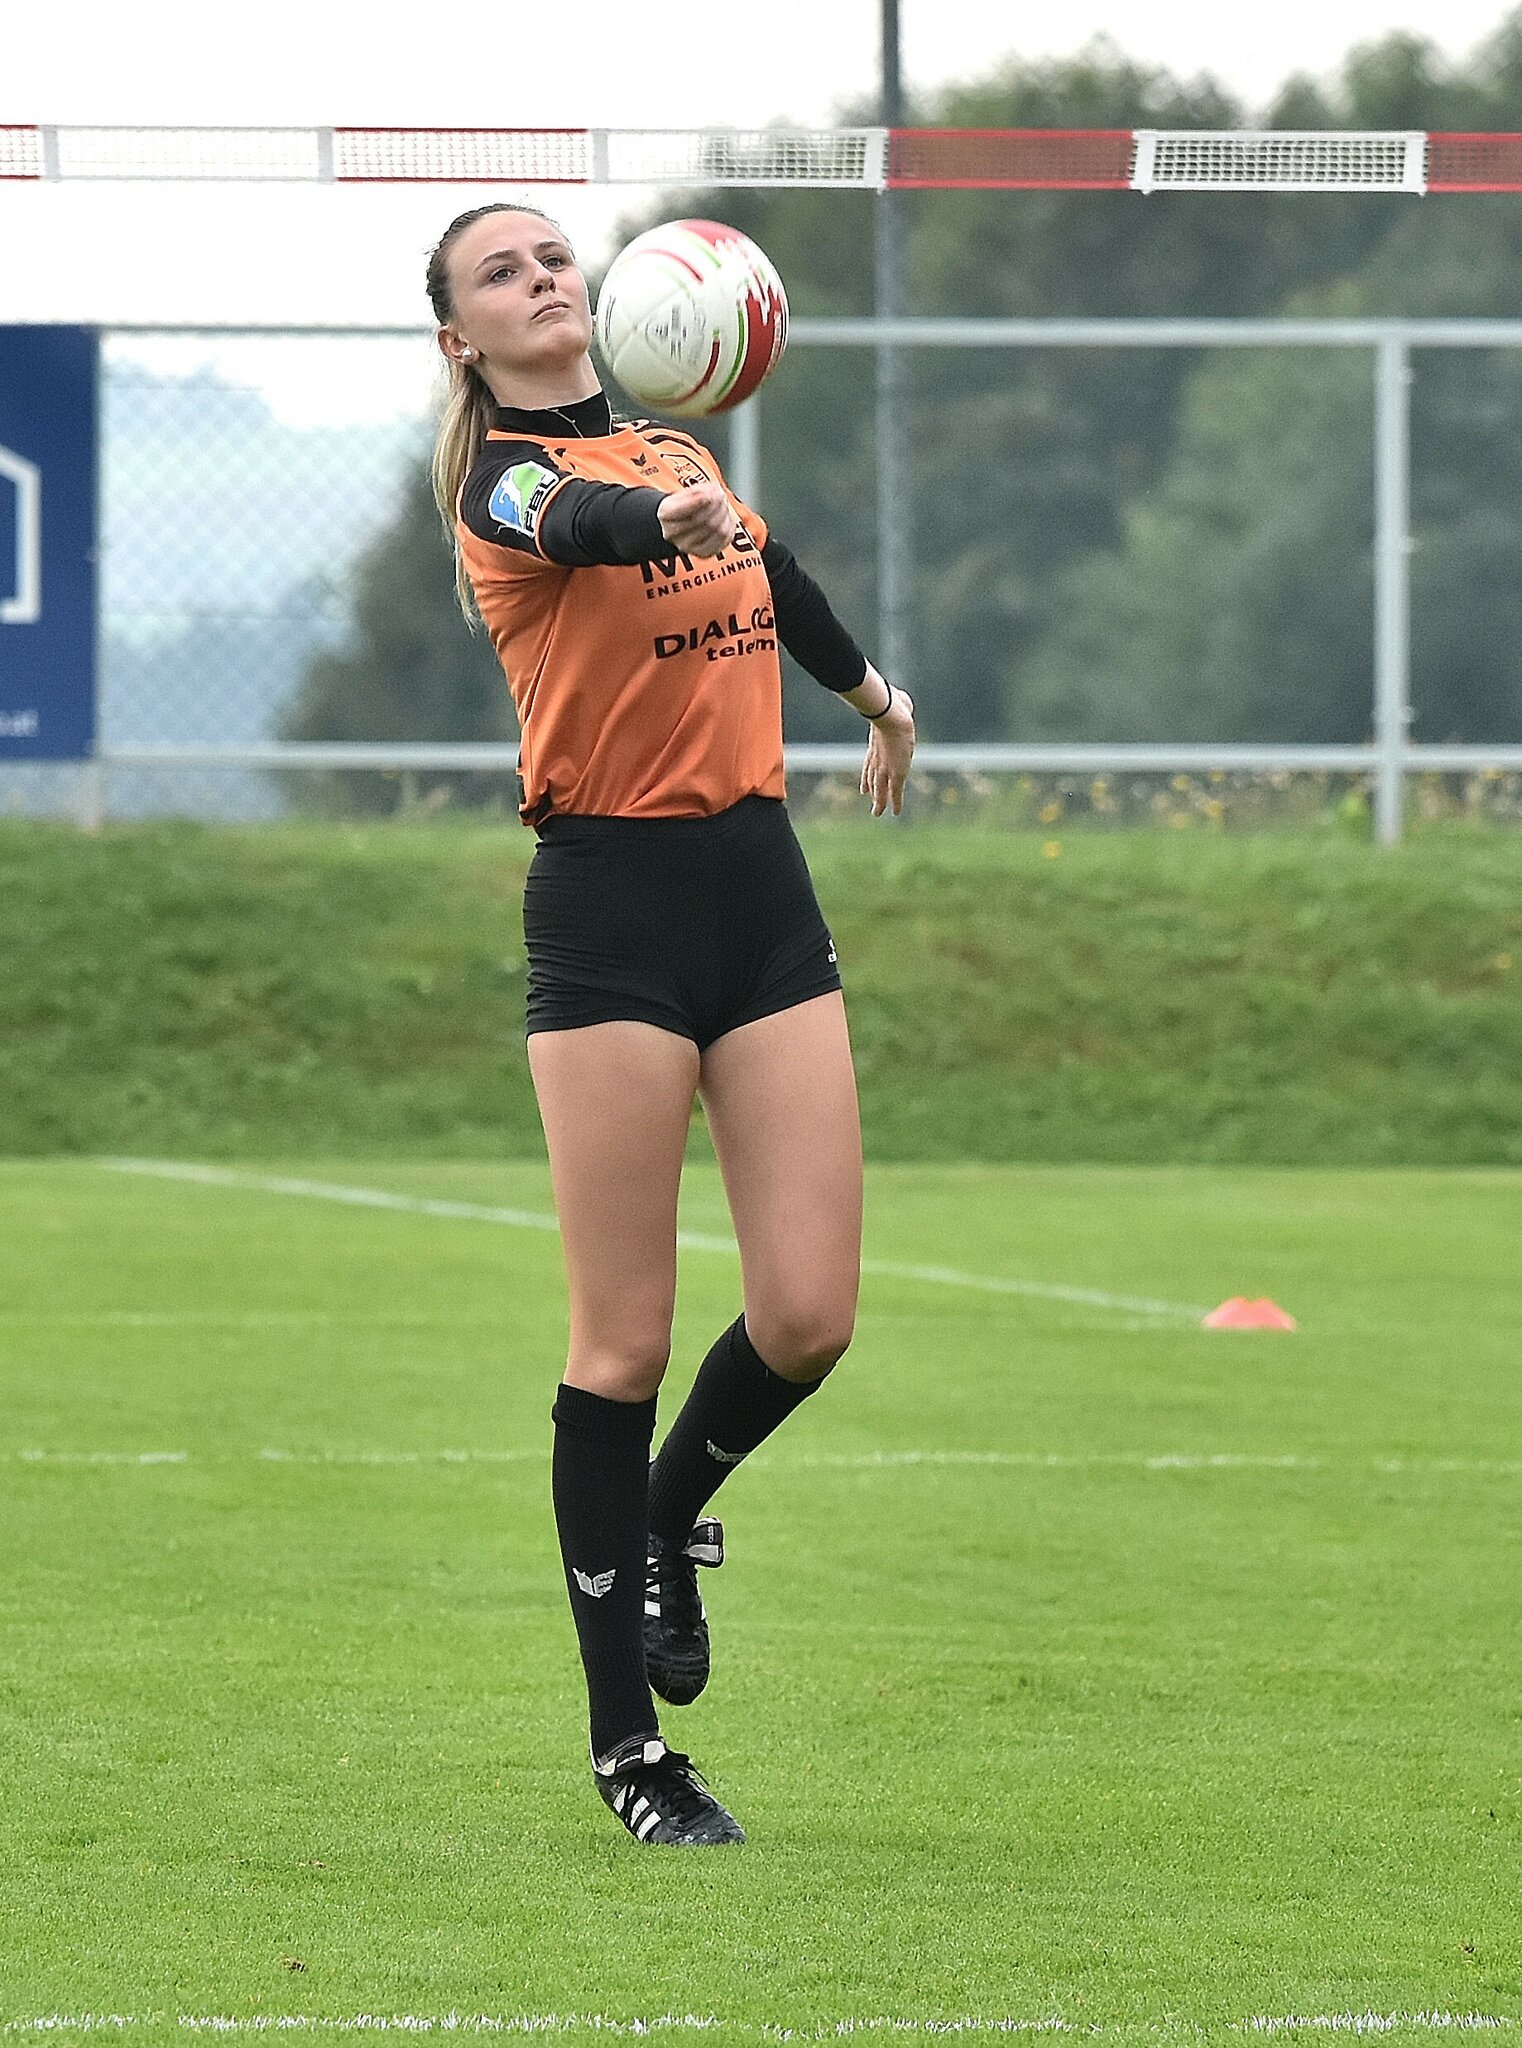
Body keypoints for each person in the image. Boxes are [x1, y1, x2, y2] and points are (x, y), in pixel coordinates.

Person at [426, 200, 916, 1848]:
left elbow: (765, 571)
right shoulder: (507, 476)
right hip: (611, 909)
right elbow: (593, 532)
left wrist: (869, 698)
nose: (544, 277)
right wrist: (669, 503)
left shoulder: (664, 444)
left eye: (554, 254)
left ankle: (665, 1515)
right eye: (503, 273)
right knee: (620, 1341)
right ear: (463, 339)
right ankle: (630, 1754)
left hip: (758, 889)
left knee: (809, 1315)